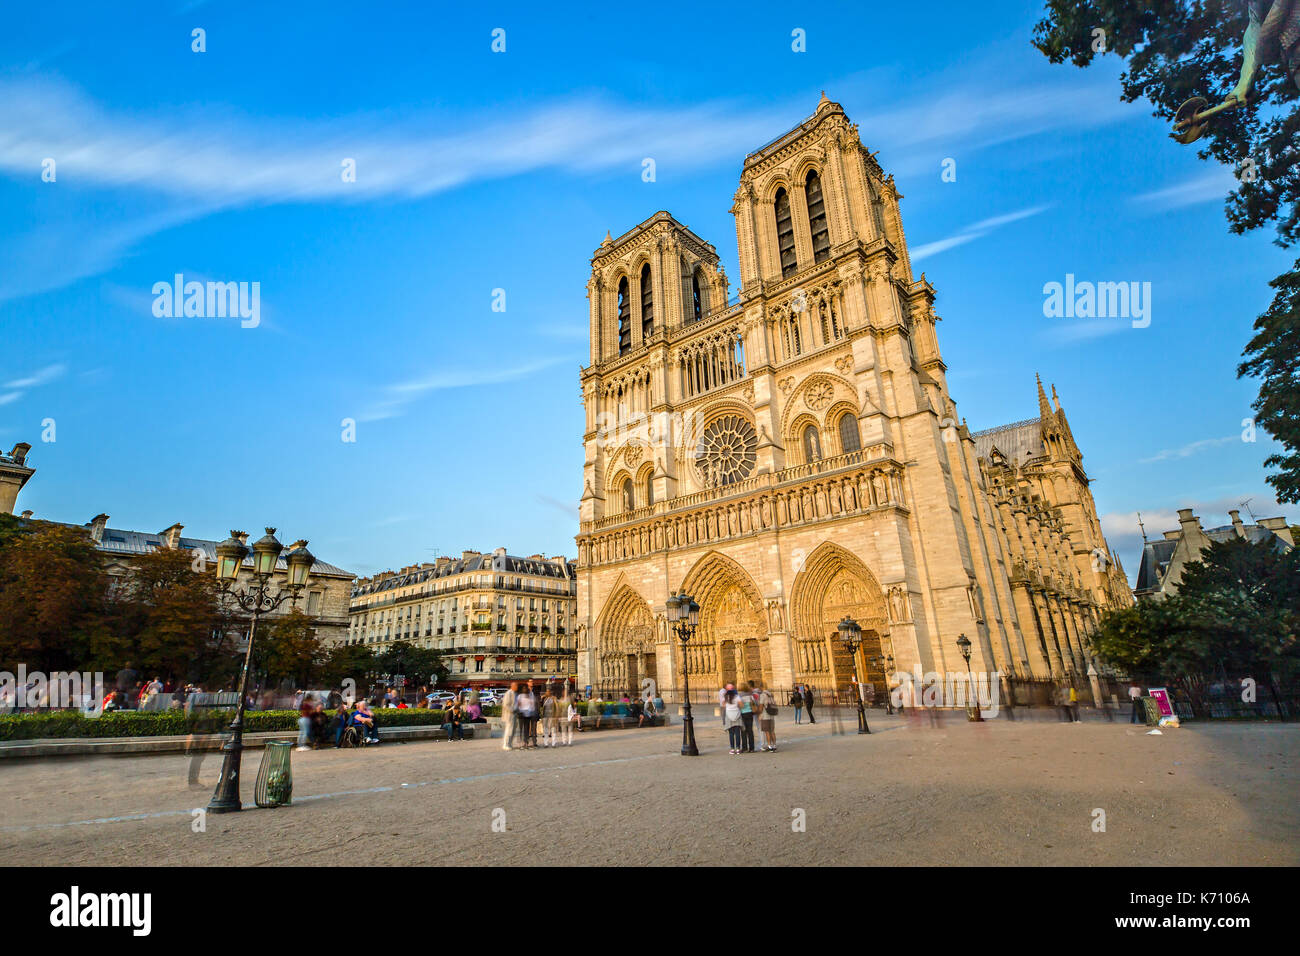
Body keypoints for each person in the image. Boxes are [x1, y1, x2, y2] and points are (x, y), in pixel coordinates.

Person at [515, 683, 537, 749]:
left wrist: (532, 711)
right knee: (521, 729)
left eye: (525, 688)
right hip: (521, 714)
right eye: (523, 688)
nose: (525, 689)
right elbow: (517, 705)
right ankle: (520, 743)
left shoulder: (530, 695)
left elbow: (532, 705)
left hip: (528, 714)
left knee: (527, 729)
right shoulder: (520, 696)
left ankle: (526, 742)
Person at [722, 689, 744, 754]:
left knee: (731, 733)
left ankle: (732, 749)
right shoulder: (737, 697)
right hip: (737, 715)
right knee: (737, 733)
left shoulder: (726, 698)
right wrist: (737, 706)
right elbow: (742, 705)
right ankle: (738, 748)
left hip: (729, 716)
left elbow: (723, 705)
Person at [757, 684, 778, 752]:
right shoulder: (770, 694)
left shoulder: (763, 695)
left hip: (765, 715)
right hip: (771, 715)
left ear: (762, 688)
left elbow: (761, 706)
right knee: (772, 731)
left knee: (767, 731)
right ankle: (774, 745)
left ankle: (769, 746)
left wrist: (759, 714)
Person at [738, 682, 757, 752]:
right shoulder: (750, 695)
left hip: (742, 714)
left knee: (743, 731)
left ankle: (744, 747)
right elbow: (754, 703)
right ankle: (752, 748)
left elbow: (738, 705)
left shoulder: (739, 696)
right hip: (750, 713)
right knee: (750, 731)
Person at [501, 683, 518, 751]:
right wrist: (513, 709)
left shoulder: (515, 693)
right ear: (512, 686)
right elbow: (505, 704)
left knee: (513, 730)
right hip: (509, 715)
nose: (517, 687)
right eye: (516, 686)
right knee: (509, 730)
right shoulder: (508, 693)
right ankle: (506, 744)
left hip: (514, 715)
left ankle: (510, 743)